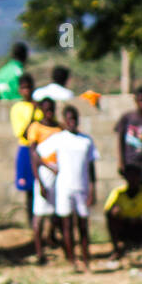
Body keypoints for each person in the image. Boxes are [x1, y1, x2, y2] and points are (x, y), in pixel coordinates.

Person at [36, 103, 98, 273]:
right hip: (64, 188)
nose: (72, 122)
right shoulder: (59, 138)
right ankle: (72, 261)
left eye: (74, 119)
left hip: (82, 188)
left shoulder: (86, 140)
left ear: (78, 120)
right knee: (67, 226)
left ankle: (86, 260)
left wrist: (93, 190)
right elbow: (37, 153)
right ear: (64, 120)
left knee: (83, 226)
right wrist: (51, 168)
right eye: (69, 119)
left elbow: (91, 168)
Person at [104, 164, 142, 264]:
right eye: (130, 176)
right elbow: (108, 211)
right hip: (125, 227)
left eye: (135, 176)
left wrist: (138, 219)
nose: (132, 179)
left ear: (139, 177)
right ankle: (117, 250)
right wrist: (115, 212)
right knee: (111, 217)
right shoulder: (118, 193)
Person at [26, 97, 62, 263]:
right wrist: (40, 179)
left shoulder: (59, 128)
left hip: (58, 174)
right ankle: (39, 251)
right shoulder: (35, 127)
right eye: (46, 109)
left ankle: (51, 240)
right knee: (39, 214)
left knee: (55, 213)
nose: (49, 112)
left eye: (51, 109)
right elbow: (34, 156)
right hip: (44, 174)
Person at [10, 73, 43, 221]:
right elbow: (22, 134)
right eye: (23, 88)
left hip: (42, 150)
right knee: (30, 190)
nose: (26, 91)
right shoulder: (17, 108)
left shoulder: (41, 107)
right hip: (26, 150)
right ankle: (32, 223)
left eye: (29, 88)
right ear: (19, 90)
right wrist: (33, 115)